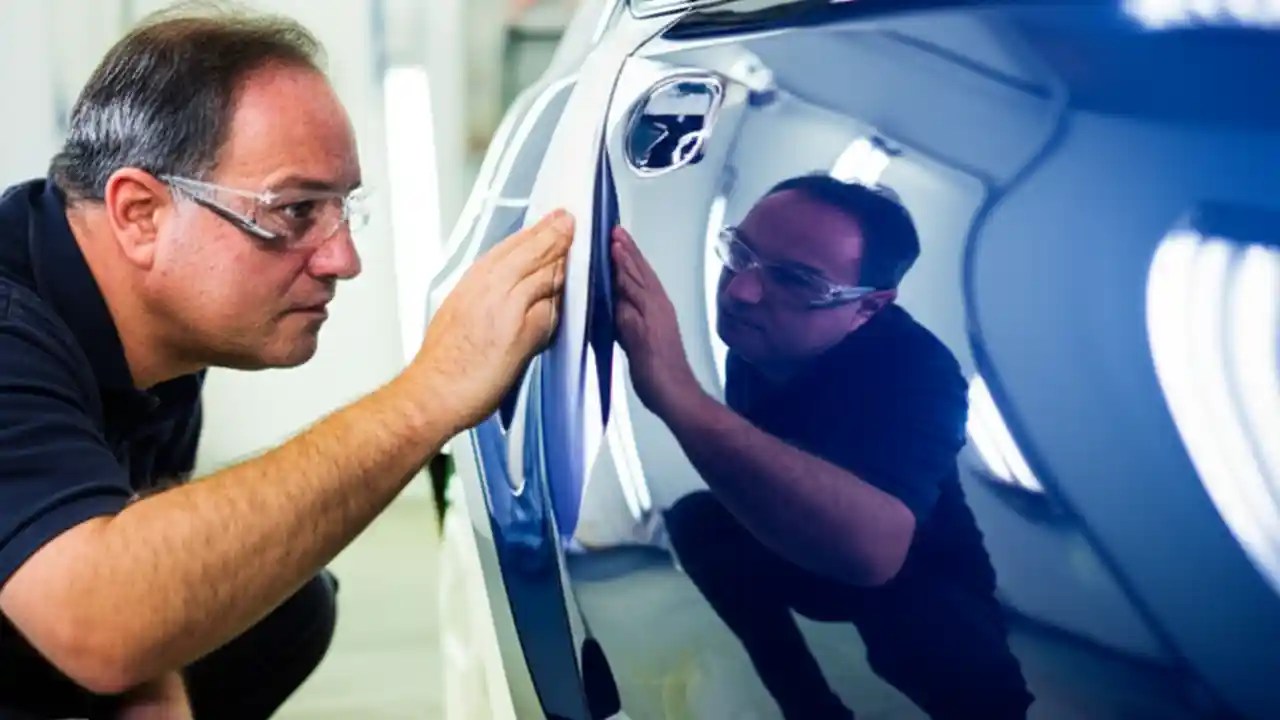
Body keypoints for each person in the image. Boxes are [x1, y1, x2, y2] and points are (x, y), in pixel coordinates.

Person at [0, 6, 573, 719]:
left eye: (342, 209)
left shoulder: (149, 329)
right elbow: (97, 620)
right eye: (295, 210)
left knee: (278, 610)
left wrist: (154, 684)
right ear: (141, 214)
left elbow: (129, 610)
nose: (344, 259)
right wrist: (431, 393)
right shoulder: (11, 332)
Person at [610, 174, 1033, 719]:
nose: (741, 289)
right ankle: (810, 708)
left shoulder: (919, 371)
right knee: (698, 523)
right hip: (804, 549)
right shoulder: (759, 338)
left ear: (869, 308)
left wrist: (681, 397)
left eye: (795, 280)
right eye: (739, 252)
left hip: (920, 572)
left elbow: (874, 554)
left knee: (968, 680)